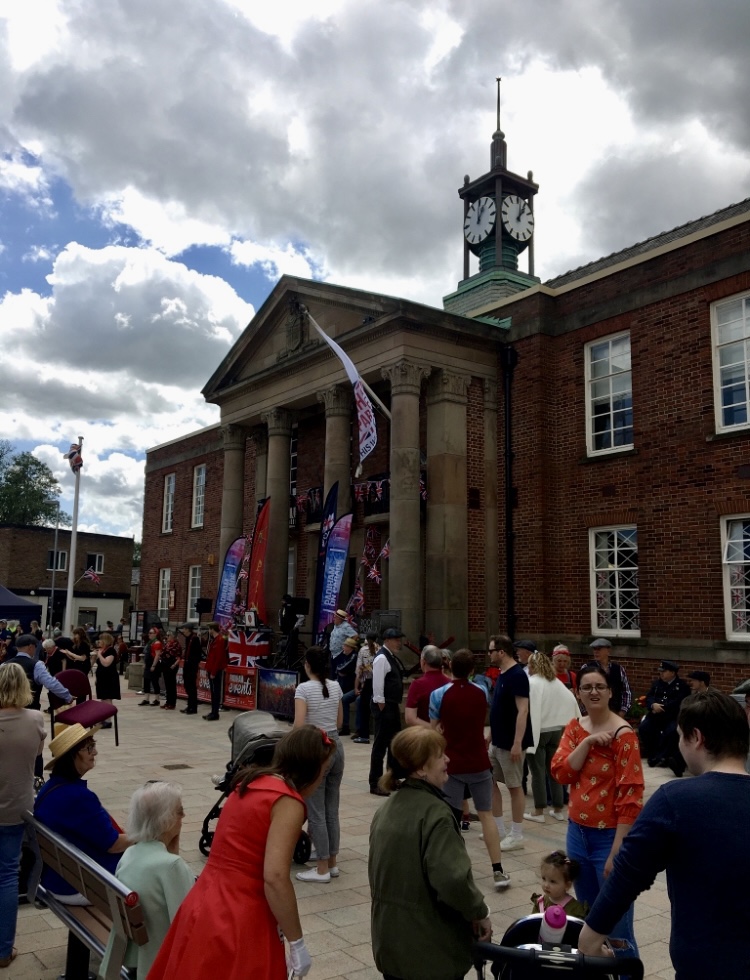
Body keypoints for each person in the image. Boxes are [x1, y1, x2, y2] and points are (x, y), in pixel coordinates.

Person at [579, 690, 750, 979]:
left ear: (696, 738)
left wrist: (589, 940)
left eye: (680, 737)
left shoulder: (676, 800)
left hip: (706, 968)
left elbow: (627, 874)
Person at [148, 726, 335, 980]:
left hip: (205, 901)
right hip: (242, 915)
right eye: (323, 772)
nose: (322, 779)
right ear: (309, 768)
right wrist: (297, 942)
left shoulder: (250, 781)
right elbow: (276, 877)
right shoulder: (288, 801)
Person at [369, 727, 492, 980]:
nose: (447, 760)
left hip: (391, 945)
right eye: (439, 755)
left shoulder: (387, 809)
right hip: (430, 952)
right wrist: (479, 912)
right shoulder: (436, 814)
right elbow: (452, 880)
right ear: (421, 768)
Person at [551, 664, 643, 955]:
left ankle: (627, 972)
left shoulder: (623, 735)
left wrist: (618, 849)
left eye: (599, 687)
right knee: (589, 919)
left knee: (617, 929)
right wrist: (588, 743)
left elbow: (631, 795)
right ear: (578, 693)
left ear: (610, 692)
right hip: (577, 834)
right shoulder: (575, 728)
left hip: (609, 838)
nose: (593, 692)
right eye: (587, 687)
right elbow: (561, 773)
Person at [428, 648, 510, 889]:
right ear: (473, 670)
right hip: (478, 762)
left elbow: (434, 729)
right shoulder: (481, 691)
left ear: (449, 666)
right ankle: (498, 870)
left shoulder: (438, 694)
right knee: (486, 815)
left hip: (451, 764)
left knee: (452, 818)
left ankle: (456, 869)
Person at [100, 781, 194, 978]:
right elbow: (190, 929)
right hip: (162, 961)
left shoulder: (130, 854)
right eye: (180, 811)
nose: (183, 816)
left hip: (137, 951)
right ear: (166, 819)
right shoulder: (171, 867)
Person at [34, 724, 130, 903]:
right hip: (77, 885)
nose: (95, 753)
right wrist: (146, 835)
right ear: (72, 755)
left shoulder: (51, 787)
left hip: (60, 878)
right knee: (155, 872)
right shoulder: (78, 797)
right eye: (89, 748)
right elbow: (114, 844)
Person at [0, 663, 46, 969]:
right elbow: (37, 754)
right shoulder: (36, 719)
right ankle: (3, 950)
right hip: (17, 807)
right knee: (6, 875)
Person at [293, 646, 344, 883]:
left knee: (316, 811)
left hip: (317, 749)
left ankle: (322, 867)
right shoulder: (335, 686)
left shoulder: (303, 689)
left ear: (308, 666)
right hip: (336, 746)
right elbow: (339, 721)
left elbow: (299, 725)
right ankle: (332, 862)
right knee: (331, 810)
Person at [487, 634, 533, 850]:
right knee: (491, 782)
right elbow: (499, 709)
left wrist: (517, 742)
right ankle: (498, 828)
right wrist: (491, 735)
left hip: (511, 743)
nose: (489, 654)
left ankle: (517, 835)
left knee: (515, 787)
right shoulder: (503, 674)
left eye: (491, 651)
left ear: (501, 652)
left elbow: (523, 710)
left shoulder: (517, 676)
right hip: (497, 741)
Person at [523, 651, 580, 823]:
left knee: (537, 772)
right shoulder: (555, 682)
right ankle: (557, 809)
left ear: (533, 666)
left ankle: (539, 811)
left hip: (539, 732)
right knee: (553, 770)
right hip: (557, 731)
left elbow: (528, 709)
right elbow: (572, 700)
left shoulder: (532, 682)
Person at [368, 627, 405, 796]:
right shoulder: (382, 657)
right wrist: (380, 703)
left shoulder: (390, 656)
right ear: (388, 640)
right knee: (381, 744)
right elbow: (377, 683)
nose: (399, 642)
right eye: (396, 639)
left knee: (393, 743)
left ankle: (391, 777)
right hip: (385, 705)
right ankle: (375, 781)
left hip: (391, 704)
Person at [639, 660, 690, 775]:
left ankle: (662, 757)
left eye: (664, 671)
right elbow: (649, 696)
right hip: (655, 716)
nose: (661, 674)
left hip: (671, 716)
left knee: (671, 731)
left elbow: (678, 702)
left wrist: (662, 707)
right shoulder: (657, 684)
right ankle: (654, 755)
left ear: (673, 673)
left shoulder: (681, 686)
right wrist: (653, 705)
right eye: (660, 671)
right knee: (644, 728)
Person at [580, 638, 632, 717]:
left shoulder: (619, 669)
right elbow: (581, 691)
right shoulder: (586, 668)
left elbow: (626, 691)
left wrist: (623, 711)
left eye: (599, 649)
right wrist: (586, 713)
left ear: (608, 651)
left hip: (615, 713)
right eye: (594, 649)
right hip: (593, 713)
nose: (596, 652)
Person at [530, 849, 589, 918]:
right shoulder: (540, 903)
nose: (546, 885)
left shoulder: (575, 909)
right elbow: (532, 924)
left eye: (552, 881)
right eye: (544, 879)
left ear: (567, 885)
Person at [405, 645, 449, 729]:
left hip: (424, 736)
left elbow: (410, 718)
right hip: (447, 735)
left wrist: (434, 729)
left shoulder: (417, 685)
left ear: (423, 662)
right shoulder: (450, 683)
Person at [351, 631, 376, 744]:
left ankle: (364, 735)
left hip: (367, 682)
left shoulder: (363, 650)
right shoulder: (381, 650)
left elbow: (358, 669)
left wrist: (359, 683)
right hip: (378, 682)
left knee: (364, 709)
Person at [92, 632, 120, 719]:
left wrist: (99, 655)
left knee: (107, 698)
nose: (99, 642)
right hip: (101, 678)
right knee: (103, 698)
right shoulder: (102, 650)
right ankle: (105, 718)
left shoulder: (111, 650)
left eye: (100, 640)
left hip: (109, 678)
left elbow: (106, 663)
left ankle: (109, 720)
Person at [204, 622, 229, 721]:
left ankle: (215, 713)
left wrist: (213, 672)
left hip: (216, 669)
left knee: (216, 692)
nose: (209, 631)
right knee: (213, 692)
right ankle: (213, 711)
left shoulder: (220, 640)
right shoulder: (214, 640)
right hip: (211, 668)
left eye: (209, 629)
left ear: (212, 629)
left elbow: (218, 658)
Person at [337, 634, 360, 736]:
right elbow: (337, 668)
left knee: (344, 699)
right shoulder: (344, 656)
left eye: (345, 646)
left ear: (351, 648)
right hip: (344, 685)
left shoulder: (354, 657)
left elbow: (341, 669)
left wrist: (341, 671)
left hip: (352, 687)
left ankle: (345, 726)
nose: (343, 647)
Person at [178, 623, 203, 715]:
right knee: (187, 685)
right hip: (187, 664)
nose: (183, 631)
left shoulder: (195, 639)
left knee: (191, 686)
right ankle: (190, 705)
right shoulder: (188, 639)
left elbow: (197, 654)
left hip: (191, 666)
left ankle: (193, 707)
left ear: (188, 629)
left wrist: (193, 664)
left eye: (184, 629)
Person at [140, 627, 163, 706]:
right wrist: (145, 663)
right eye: (149, 633)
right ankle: (146, 699)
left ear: (155, 634)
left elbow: (157, 655)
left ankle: (157, 699)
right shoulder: (150, 642)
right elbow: (147, 654)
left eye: (151, 633)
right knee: (146, 681)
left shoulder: (157, 643)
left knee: (154, 682)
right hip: (148, 664)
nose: (149, 634)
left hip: (154, 664)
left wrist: (153, 665)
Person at [159, 630, 181, 710]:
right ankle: (167, 702)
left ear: (172, 636)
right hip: (165, 665)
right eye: (166, 635)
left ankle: (172, 703)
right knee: (167, 685)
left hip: (172, 665)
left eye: (168, 635)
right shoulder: (167, 644)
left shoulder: (176, 645)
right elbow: (162, 653)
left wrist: (174, 665)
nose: (167, 637)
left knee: (171, 684)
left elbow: (179, 657)